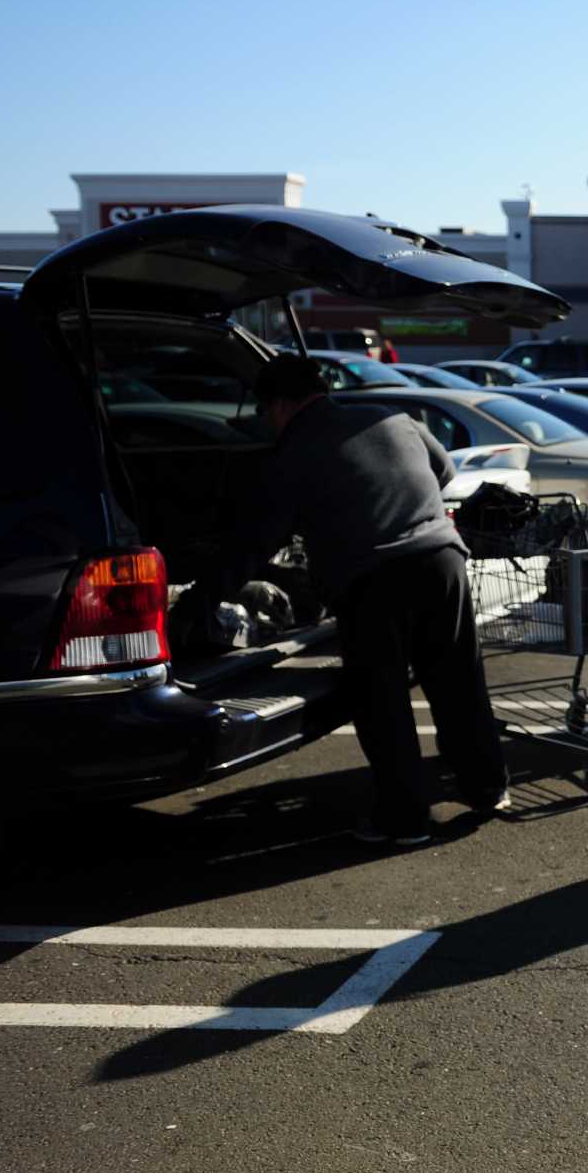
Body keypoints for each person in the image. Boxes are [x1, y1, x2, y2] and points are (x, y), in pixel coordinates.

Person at [254, 354, 509, 846]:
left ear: (281, 405)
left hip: (372, 579)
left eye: (267, 412)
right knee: (459, 680)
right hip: (443, 558)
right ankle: (488, 788)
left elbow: (260, 539)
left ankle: (405, 820)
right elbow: (444, 468)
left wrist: (203, 601)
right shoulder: (389, 415)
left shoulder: (295, 448)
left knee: (382, 700)